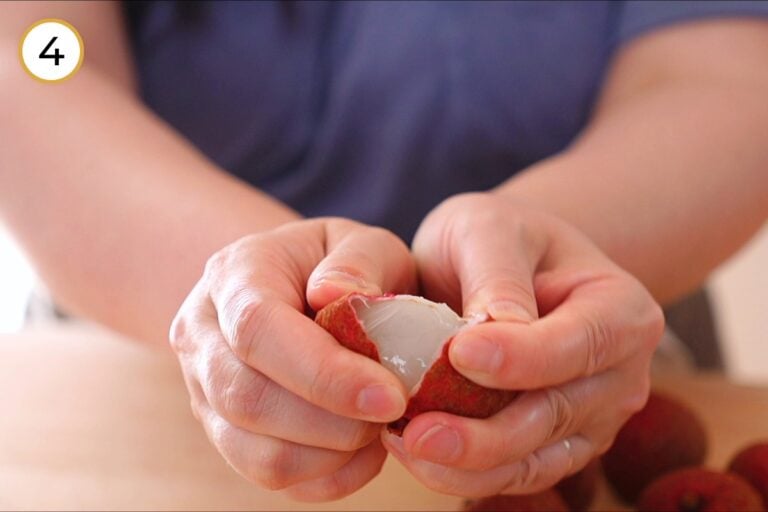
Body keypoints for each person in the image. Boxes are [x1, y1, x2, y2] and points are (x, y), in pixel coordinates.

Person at [2, 0, 767, 503]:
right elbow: (38, 57)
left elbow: (718, 69)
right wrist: (236, 280)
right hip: (138, 342)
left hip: (592, 328)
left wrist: (531, 242)